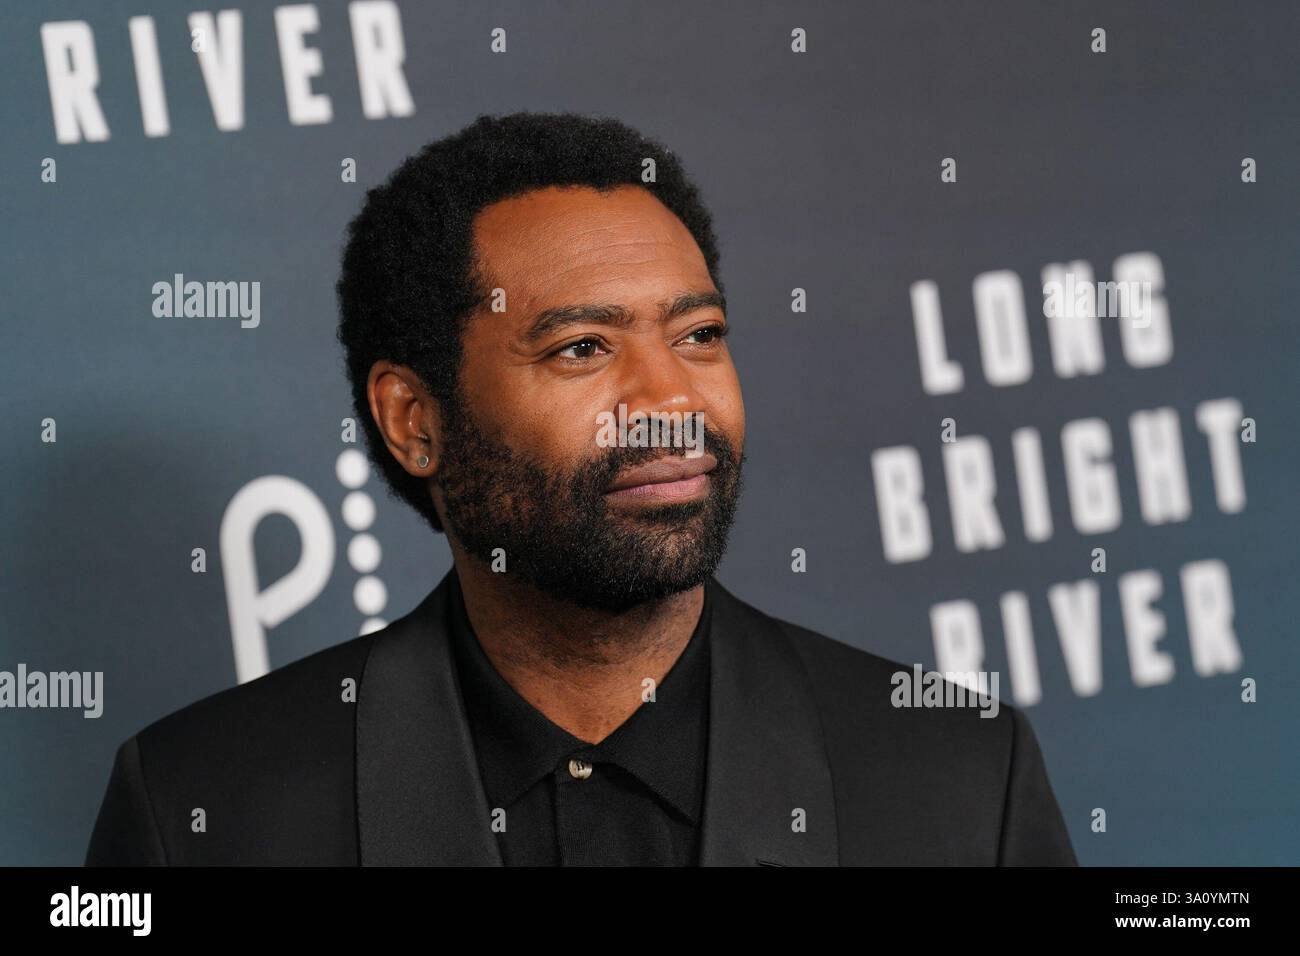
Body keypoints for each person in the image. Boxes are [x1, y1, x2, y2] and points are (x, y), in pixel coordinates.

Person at [86, 112, 1076, 866]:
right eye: (581, 348)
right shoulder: (201, 807)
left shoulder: (956, 777)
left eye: (698, 335)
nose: (669, 399)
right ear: (415, 420)